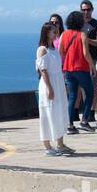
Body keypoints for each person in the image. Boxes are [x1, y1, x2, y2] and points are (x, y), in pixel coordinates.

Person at [35, 22, 74, 156]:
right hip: (49, 84)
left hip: (58, 83)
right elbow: (43, 70)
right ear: (46, 32)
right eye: (53, 31)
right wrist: (49, 88)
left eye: (56, 31)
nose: (56, 34)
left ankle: (60, 144)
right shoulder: (42, 49)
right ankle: (47, 146)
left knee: (60, 112)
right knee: (48, 114)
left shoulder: (54, 49)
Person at [60, 11, 96, 133]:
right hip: (81, 68)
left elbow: (61, 51)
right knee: (90, 93)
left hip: (68, 69)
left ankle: (70, 125)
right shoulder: (82, 35)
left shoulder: (64, 35)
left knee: (72, 96)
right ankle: (84, 121)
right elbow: (86, 53)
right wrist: (92, 66)